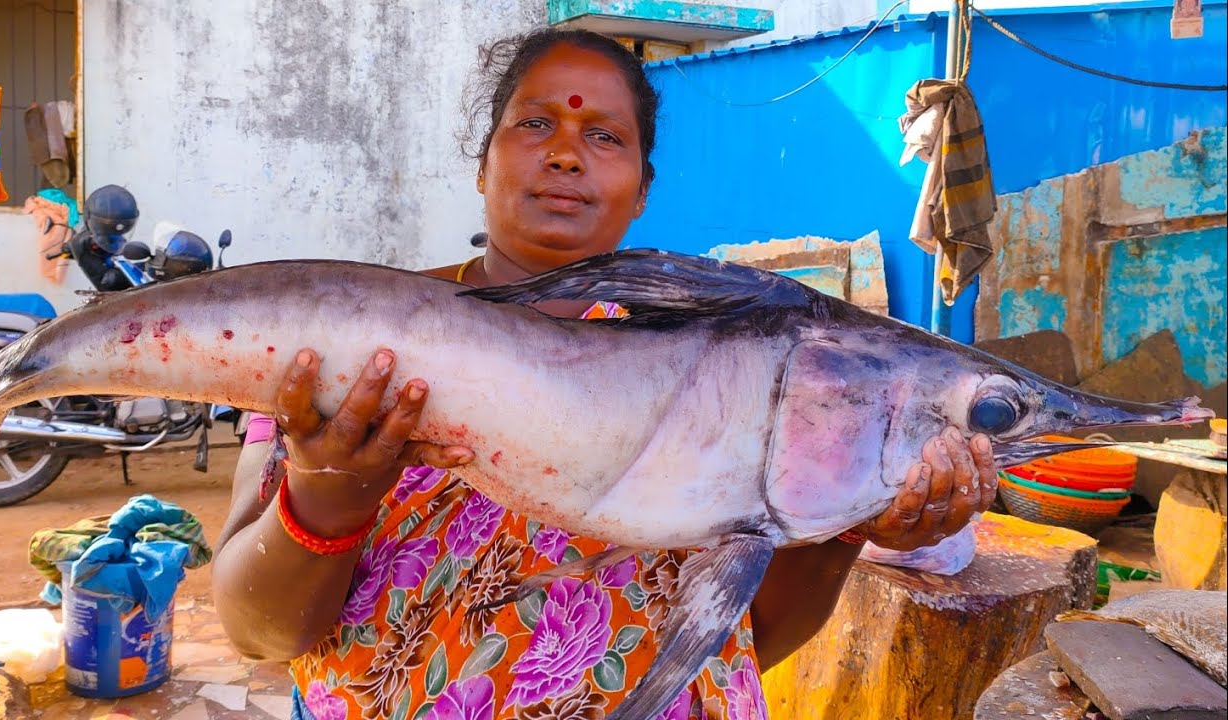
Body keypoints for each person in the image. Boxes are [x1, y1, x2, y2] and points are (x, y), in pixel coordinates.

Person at [212, 28, 998, 720]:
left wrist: (847, 522)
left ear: (643, 190)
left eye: (604, 136)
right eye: (535, 124)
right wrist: (327, 495)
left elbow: (751, 639)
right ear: (483, 164)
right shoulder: (356, 345)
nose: (565, 153)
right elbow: (256, 631)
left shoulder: (721, 367)